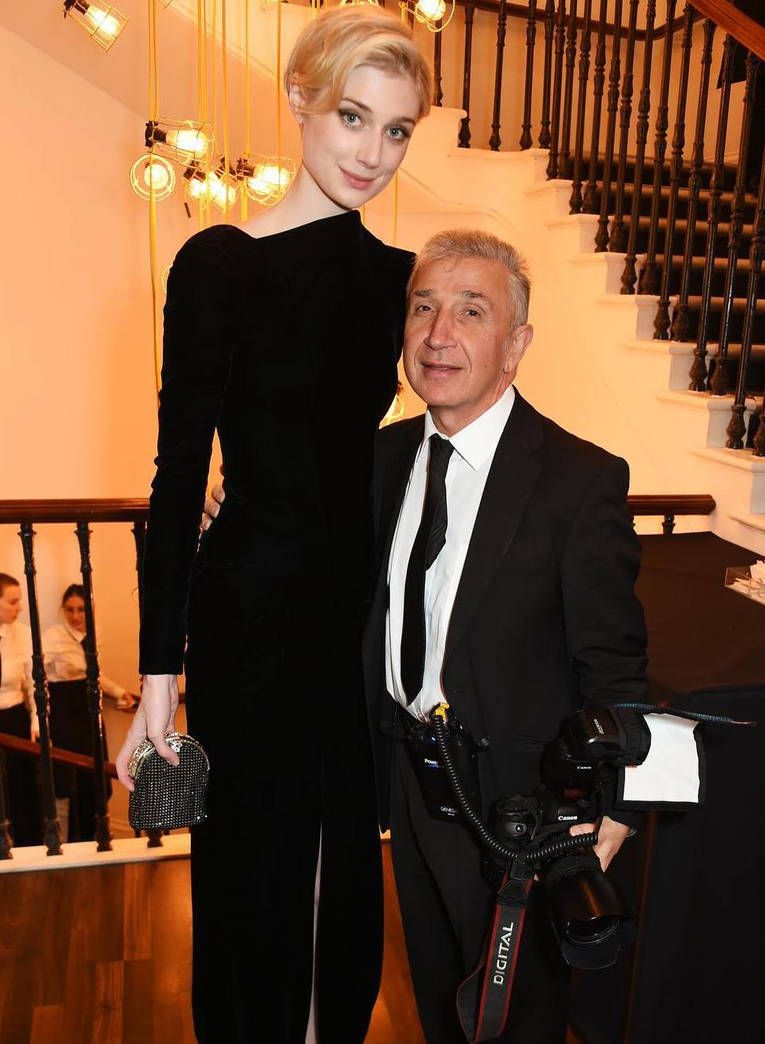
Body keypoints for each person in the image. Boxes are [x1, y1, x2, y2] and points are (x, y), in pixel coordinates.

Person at [114, 8, 432, 1042]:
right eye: (352, 116)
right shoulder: (220, 264)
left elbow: (409, 439)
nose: (372, 152)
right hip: (247, 619)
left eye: (396, 129)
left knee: (344, 880)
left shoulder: (401, 281)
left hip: (353, 620)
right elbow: (177, 478)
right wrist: (158, 680)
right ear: (299, 100)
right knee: (255, 876)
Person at [362, 230, 647, 1043]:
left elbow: (613, 662)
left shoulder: (579, 481)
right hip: (408, 788)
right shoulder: (379, 458)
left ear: (515, 345)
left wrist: (617, 806)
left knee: (516, 1022)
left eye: (469, 312)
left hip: (519, 811)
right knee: (437, 1001)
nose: (436, 335)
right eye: (422, 308)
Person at [43, 583, 137, 841]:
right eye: (70, 609)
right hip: (63, 714)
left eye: (81, 609)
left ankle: (95, 836)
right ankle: (68, 842)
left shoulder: (96, 634)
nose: (75, 616)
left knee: (93, 778)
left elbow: (95, 675)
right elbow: (36, 679)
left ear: (91, 609)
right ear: (62, 610)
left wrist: (119, 692)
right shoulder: (52, 637)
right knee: (68, 780)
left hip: (89, 712)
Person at [0, 573, 42, 846]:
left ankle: (28, 846)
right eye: (13, 602)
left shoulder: (24, 634)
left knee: (21, 789)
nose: (20, 608)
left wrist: (37, 721)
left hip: (14, 718)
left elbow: (35, 683)